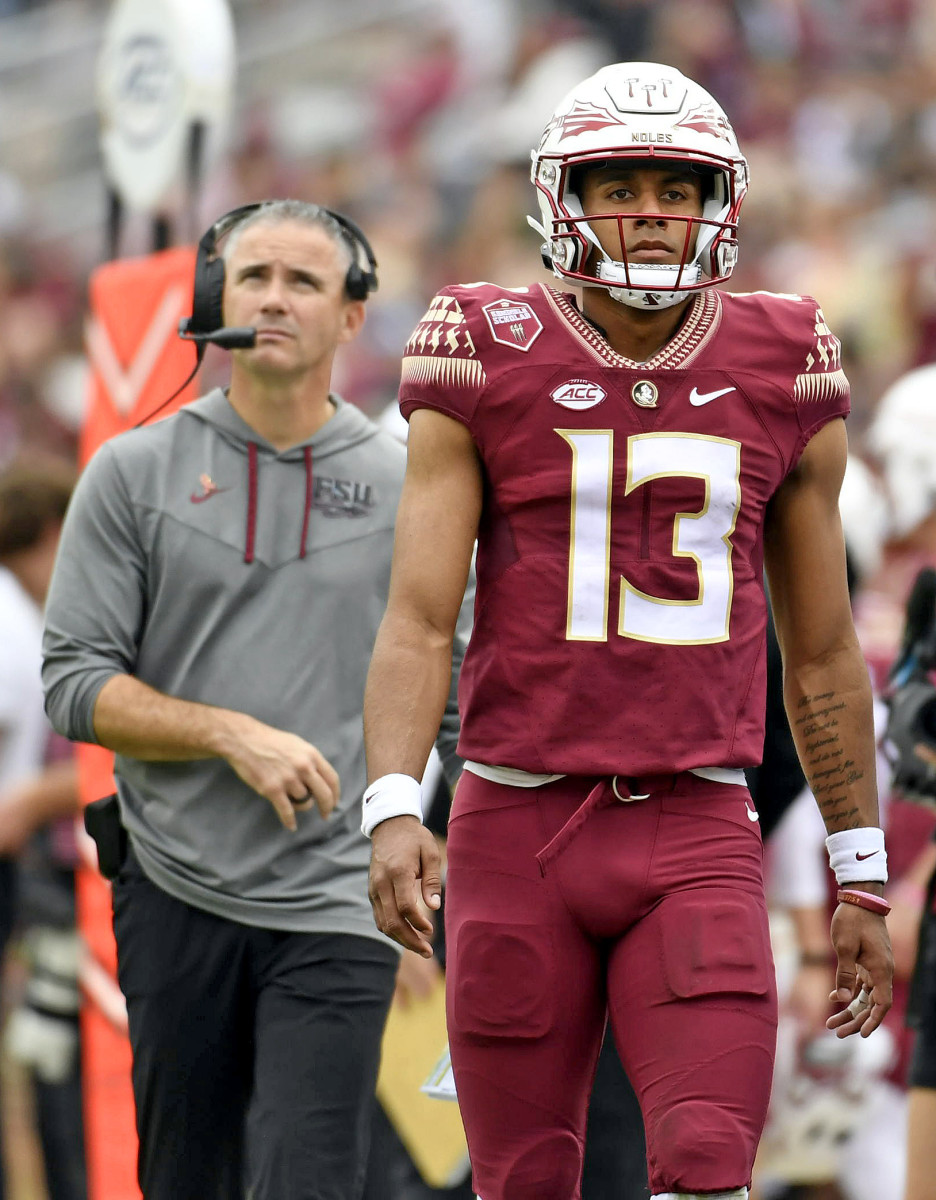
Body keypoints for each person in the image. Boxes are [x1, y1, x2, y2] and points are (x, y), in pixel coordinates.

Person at [361, 62, 894, 1200]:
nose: (649, 208)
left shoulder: (784, 354)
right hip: (513, 820)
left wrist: (861, 871)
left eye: (676, 183)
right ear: (565, 197)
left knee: (710, 1168)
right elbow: (417, 615)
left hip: (696, 821)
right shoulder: (481, 340)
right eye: (619, 183)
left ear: (721, 203)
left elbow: (825, 654)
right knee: (524, 1180)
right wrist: (397, 804)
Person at [42, 199, 462, 1200]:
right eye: (254, 277)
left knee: (308, 1178)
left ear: (354, 316)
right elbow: (73, 684)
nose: (273, 298)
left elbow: (464, 701)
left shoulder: (418, 491)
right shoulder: (132, 472)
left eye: (303, 281)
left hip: (339, 902)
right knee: (187, 1179)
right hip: (175, 885)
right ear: (214, 301)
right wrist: (229, 734)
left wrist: (440, 861)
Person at [0, 459, 86, 1200]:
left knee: (69, 1091)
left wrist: (27, 802)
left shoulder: (64, 624)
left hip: (84, 891)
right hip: (57, 892)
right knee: (49, 1076)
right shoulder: (41, 624)